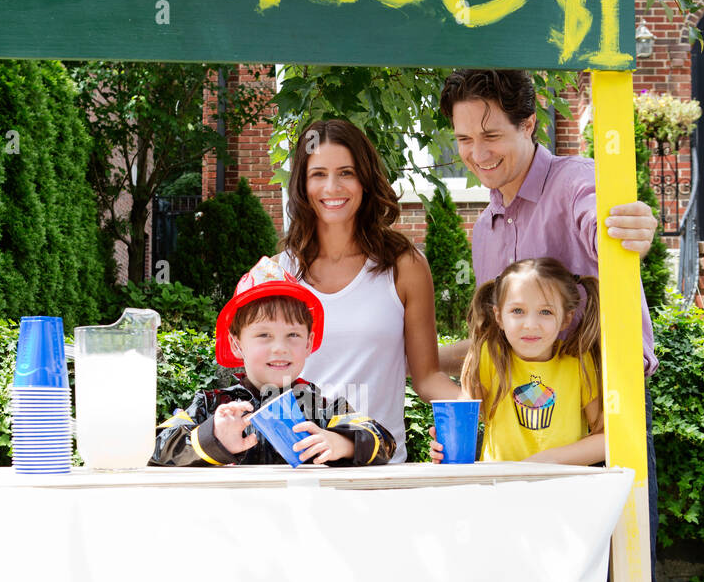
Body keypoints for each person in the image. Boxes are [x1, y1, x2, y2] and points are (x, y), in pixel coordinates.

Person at [437, 68, 677, 582]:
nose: (478, 152)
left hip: (600, 466)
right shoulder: (486, 230)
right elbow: (495, 356)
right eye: (464, 138)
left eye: (493, 135)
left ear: (529, 123)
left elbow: (612, 218)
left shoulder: (575, 185)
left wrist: (632, 226)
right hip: (524, 493)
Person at [278, 118, 462, 463]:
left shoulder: (404, 266)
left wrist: (483, 408)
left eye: (346, 172)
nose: (332, 187)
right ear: (302, 185)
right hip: (300, 467)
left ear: (364, 180)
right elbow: (261, 380)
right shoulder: (278, 273)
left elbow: (428, 377)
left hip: (381, 467)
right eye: (318, 174)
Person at [151, 256, 395, 468]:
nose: (280, 347)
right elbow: (154, 444)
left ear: (308, 343)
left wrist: (343, 443)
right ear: (236, 344)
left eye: (293, 335)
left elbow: (384, 441)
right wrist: (212, 437)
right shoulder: (211, 406)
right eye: (264, 335)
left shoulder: (321, 409)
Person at [431, 259, 604, 466]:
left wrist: (550, 460)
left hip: (562, 488)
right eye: (518, 311)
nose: (530, 325)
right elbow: (463, 421)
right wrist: (445, 448)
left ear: (566, 319)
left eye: (545, 312)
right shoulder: (490, 356)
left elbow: (605, 437)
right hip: (500, 488)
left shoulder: (578, 362)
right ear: (499, 317)